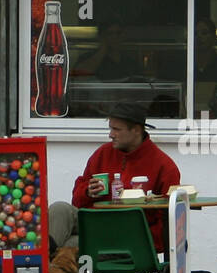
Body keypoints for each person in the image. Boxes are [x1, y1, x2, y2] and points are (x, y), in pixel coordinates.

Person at [49, 103, 181, 253]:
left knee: (66, 246)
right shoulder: (103, 153)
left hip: (130, 239)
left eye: (116, 129)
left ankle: (44, 265)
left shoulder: (164, 166)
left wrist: (135, 240)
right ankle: (45, 260)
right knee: (59, 209)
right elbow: (77, 201)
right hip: (95, 225)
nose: (111, 134)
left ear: (137, 130)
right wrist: (88, 192)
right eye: (110, 128)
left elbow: (168, 222)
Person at [74, 20, 142, 79]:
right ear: (101, 36)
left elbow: (139, 84)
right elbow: (78, 76)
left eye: (118, 33)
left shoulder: (129, 61)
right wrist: (103, 50)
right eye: (110, 33)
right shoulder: (87, 58)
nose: (114, 37)